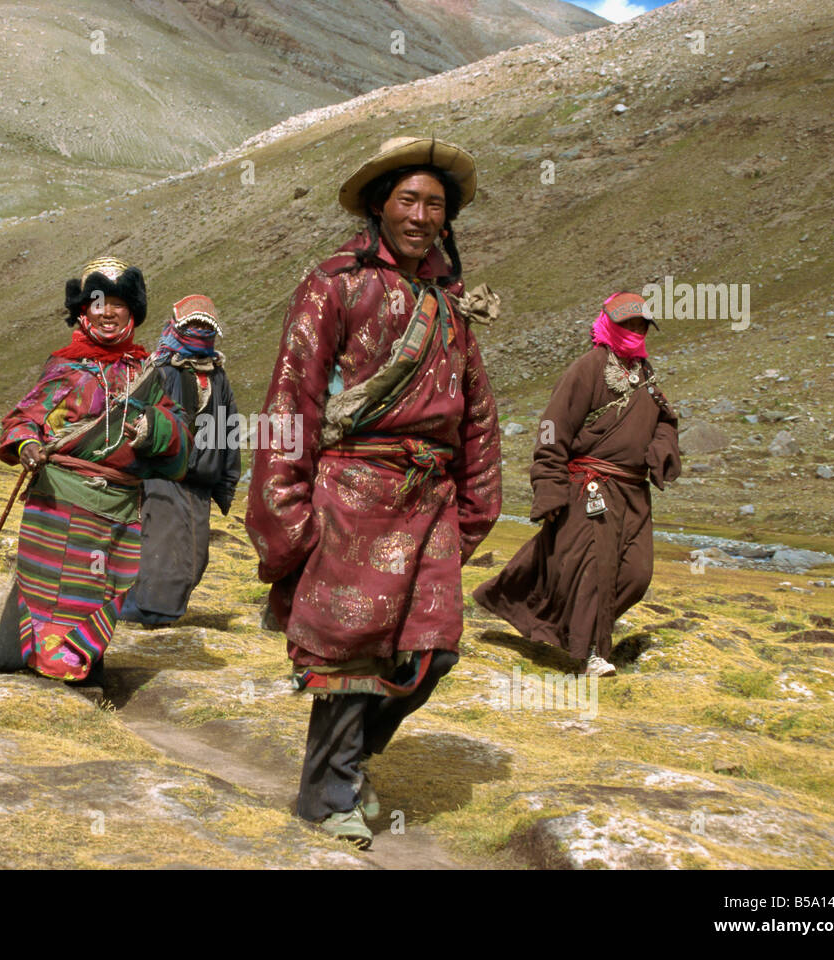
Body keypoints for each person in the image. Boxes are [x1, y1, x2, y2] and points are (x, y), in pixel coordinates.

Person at [244, 136, 502, 848]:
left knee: (433, 651)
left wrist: (478, 506)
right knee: (350, 656)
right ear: (380, 206)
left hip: (430, 501)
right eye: (409, 199)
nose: (421, 215)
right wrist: (284, 512)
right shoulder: (334, 284)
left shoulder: (449, 306)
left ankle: (349, 766)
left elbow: (476, 411)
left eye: (435, 204)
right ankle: (327, 800)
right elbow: (291, 396)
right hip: (349, 493)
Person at [0, 256, 190, 684]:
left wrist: (153, 429)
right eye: (97, 303)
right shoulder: (65, 368)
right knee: (51, 586)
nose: (107, 313)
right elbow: (22, 418)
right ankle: (41, 657)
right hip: (60, 498)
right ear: (81, 311)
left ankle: (83, 659)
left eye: (118, 304)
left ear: (133, 313)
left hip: (120, 506)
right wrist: (29, 444)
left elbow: (181, 434)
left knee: (102, 587)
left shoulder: (148, 375)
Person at [472, 292, 681, 677]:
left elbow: (666, 419)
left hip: (634, 493)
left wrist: (661, 447)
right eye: (628, 325)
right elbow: (552, 428)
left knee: (636, 574)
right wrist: (550, 487)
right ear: (609, 325)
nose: (635, 332)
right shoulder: (587, 369)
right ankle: (589, 654)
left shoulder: (644, 374)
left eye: (641, 326)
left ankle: (571, 627)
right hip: (590, 488)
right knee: (593, 570)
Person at [120, 295, 241, 627]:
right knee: (162, 551)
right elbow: (132, 416)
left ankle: (155, 610)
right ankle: (144, 611)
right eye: (192, 325)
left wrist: (227, 480)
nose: (199, 330)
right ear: (177, 327)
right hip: (162, 477)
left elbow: (229, 428)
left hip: (201, 482)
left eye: (206, 325)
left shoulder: (218, 377)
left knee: (195, 556)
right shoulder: (158, 370)